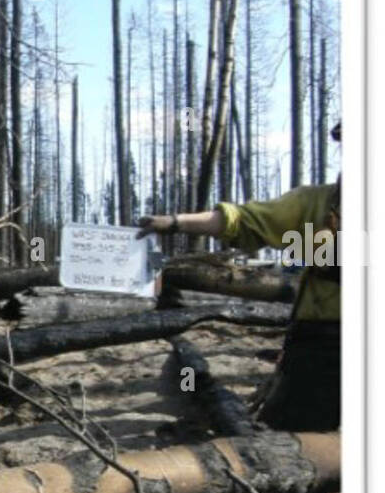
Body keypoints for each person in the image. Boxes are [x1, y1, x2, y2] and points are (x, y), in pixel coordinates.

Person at [136, 124, 341, 432]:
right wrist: (176, 222)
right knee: (292, 441)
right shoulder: (314, 204)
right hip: (319, 344)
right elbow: (245, 220)